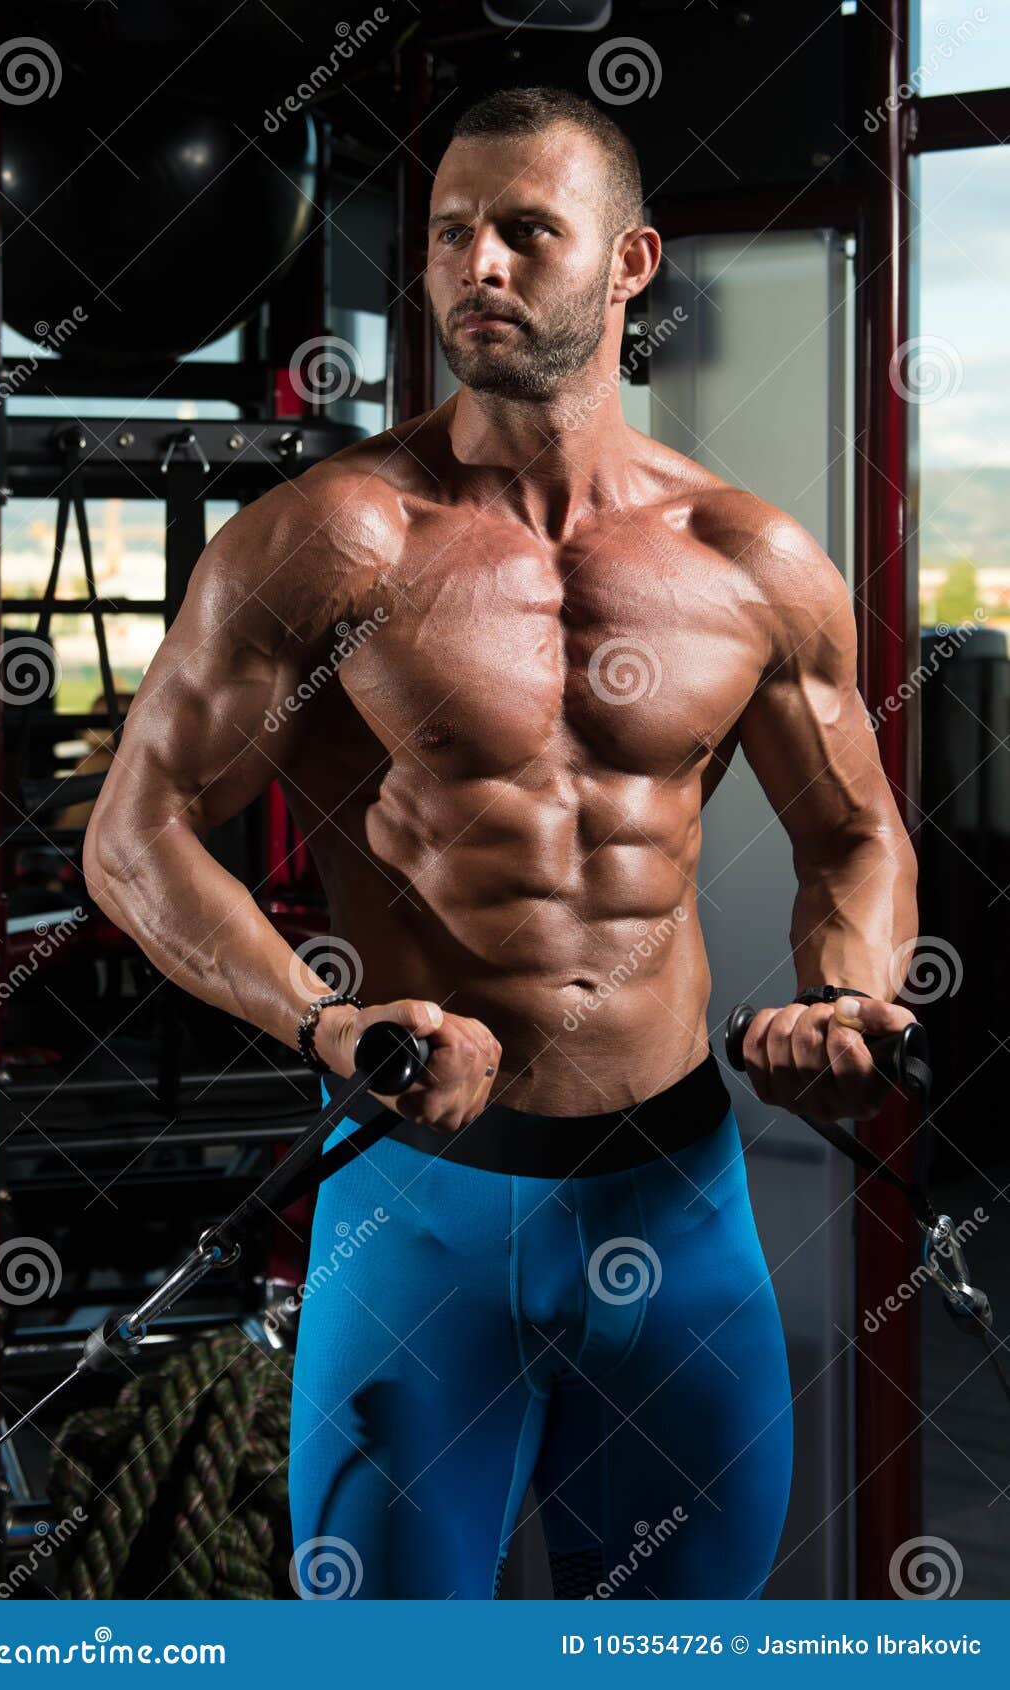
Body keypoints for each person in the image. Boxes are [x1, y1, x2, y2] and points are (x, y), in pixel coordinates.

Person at [83, 86, 919, 1600]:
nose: (479, 264)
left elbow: (856, 832)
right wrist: (320, 1017)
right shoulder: (336, 538)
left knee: (683, 1645)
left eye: (527, 231)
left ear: (631, 261)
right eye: (455, 232)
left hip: (678, 1208)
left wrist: (846, 991)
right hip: (419, 1206)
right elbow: (134, 834)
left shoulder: (751, 559)